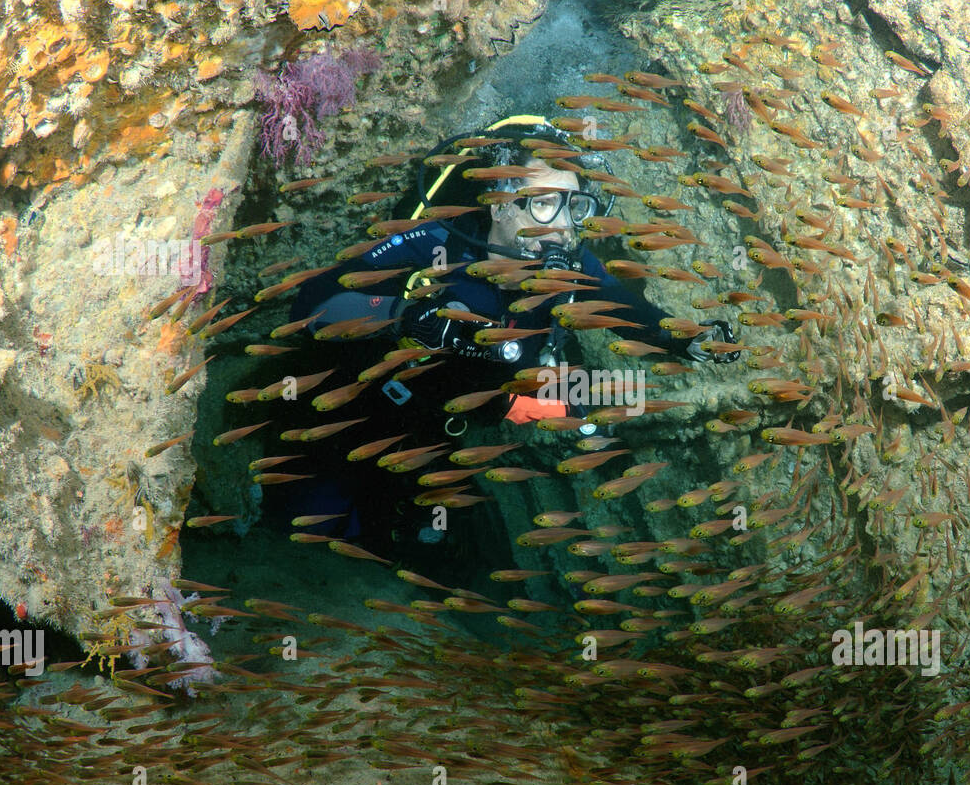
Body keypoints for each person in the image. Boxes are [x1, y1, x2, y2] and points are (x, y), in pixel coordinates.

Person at [266, 115, 741, 567]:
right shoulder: (439, 241)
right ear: (497, 202)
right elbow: (313, 304)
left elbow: (618, 304)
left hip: (450, 431)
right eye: (541, 203)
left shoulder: (571, 264)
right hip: (357, 410)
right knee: (307, 529)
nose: (561, 225)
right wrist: (401, 316)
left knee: (410, 540)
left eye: (574, 207)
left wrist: (684, 338)